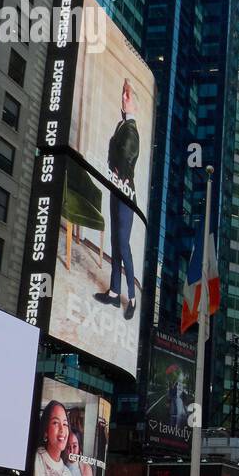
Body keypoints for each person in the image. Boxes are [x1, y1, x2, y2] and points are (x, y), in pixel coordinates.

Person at [94, 77, 140, 320]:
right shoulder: (122, 125)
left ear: (135, 106)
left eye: (128, 97)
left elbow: (126, 156)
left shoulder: (131, 130)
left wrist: (119, 172)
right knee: (115, 241)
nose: (124, 99)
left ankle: (131, 298)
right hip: (117, 189)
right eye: (124, 96)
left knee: (123, 244)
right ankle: (114, 292)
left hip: (125, 193)